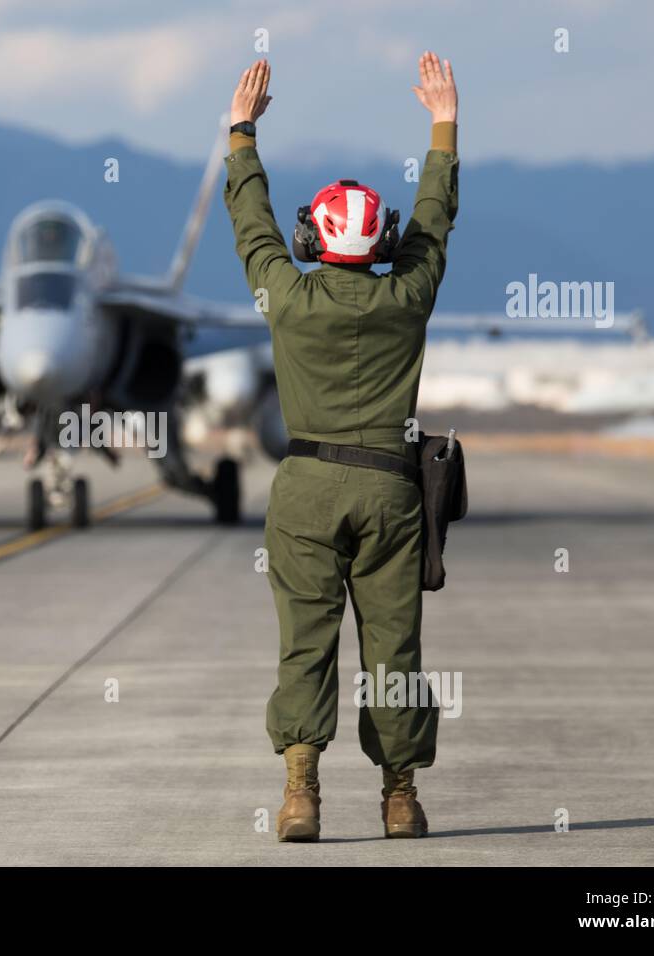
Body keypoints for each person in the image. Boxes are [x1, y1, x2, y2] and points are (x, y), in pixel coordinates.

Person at [224, 53, 459, 841]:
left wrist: (242, 133)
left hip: (306, 489)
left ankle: (300, 795)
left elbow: (251, 228)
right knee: (394, 649)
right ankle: (399, 798)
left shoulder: (285, 296)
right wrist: (442, 124)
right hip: (392, 491)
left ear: (312, 239)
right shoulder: (409, 295)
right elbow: (433, 222)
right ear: (380, 241)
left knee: (305, 647)